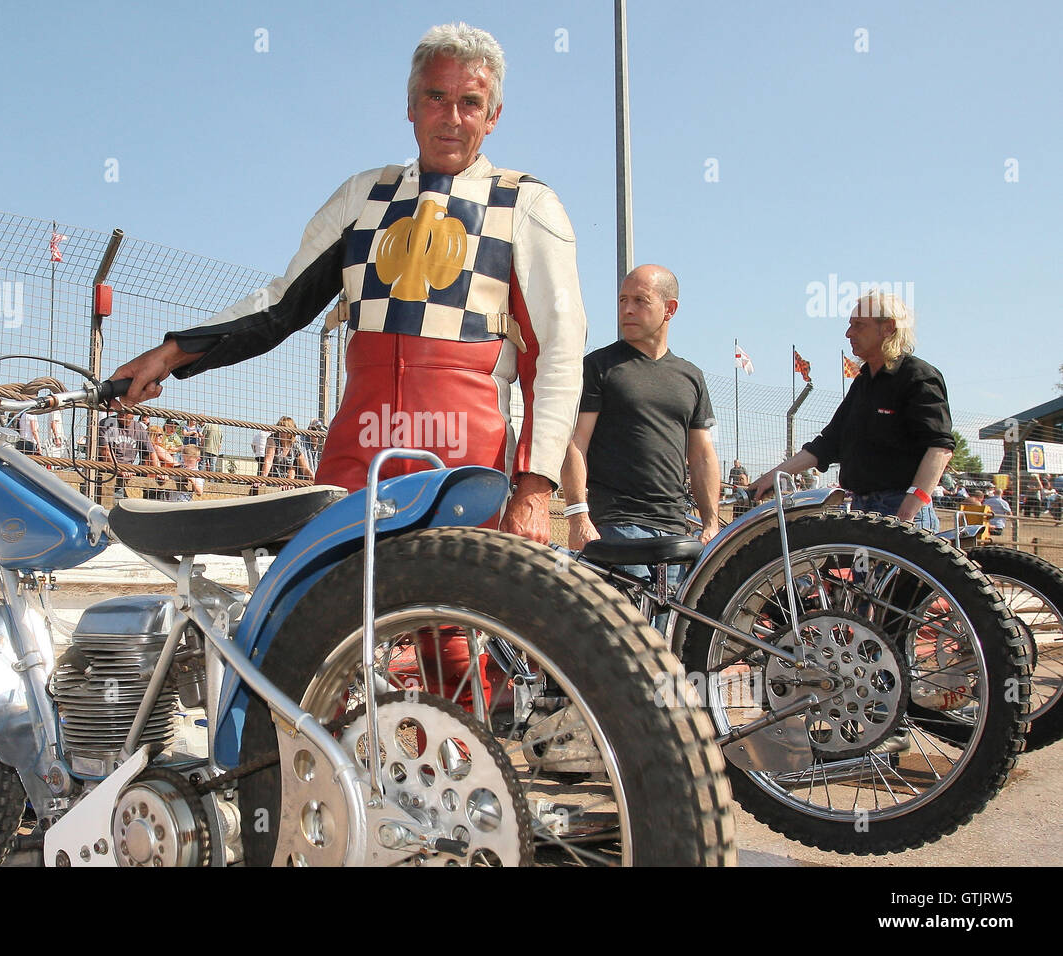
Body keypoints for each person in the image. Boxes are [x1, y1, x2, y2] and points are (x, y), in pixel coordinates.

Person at [109, 22, 585, 547]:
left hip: (467, 452)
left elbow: (558, 351)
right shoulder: (364, 194)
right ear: (410, 106)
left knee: (447, 623)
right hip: (362, 440)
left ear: (493, 117)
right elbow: (281, 306)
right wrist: (175, 351)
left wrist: (536, 487)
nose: (452, 117)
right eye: (435, 97)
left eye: (470, 103)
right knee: (319, 607)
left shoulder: (526, 203)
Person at [561, 265, 721, 618]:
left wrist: (711, 523)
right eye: (622, 300)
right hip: (615, 529)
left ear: (670, 309)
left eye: (639, 301)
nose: (627, 310)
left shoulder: (690, 376)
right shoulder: (599, 367)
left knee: (669, 645)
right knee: (620, 645)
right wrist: (577, 516)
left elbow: (702, 454)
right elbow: (576, 443)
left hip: (676, 532)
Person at [751, 291, 953, 533]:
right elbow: (827, 444)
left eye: (859, 326)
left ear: (888, 328)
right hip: (862, 511)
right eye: (850, 326)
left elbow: (940, 448)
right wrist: (770, 477)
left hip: (901, 510)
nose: (849, 334)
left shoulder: (917, 376)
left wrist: (909, 510)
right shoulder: (863, 381)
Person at [261, 416, 315, 482]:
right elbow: (268, 461)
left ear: (290, 432)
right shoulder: (273, 440)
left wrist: (315, 479)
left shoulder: (295, 445)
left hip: (287, 481)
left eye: (285, 430)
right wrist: (262, 479)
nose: (282, 432)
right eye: (280, 429)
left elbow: (304, 468)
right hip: (272, 480)